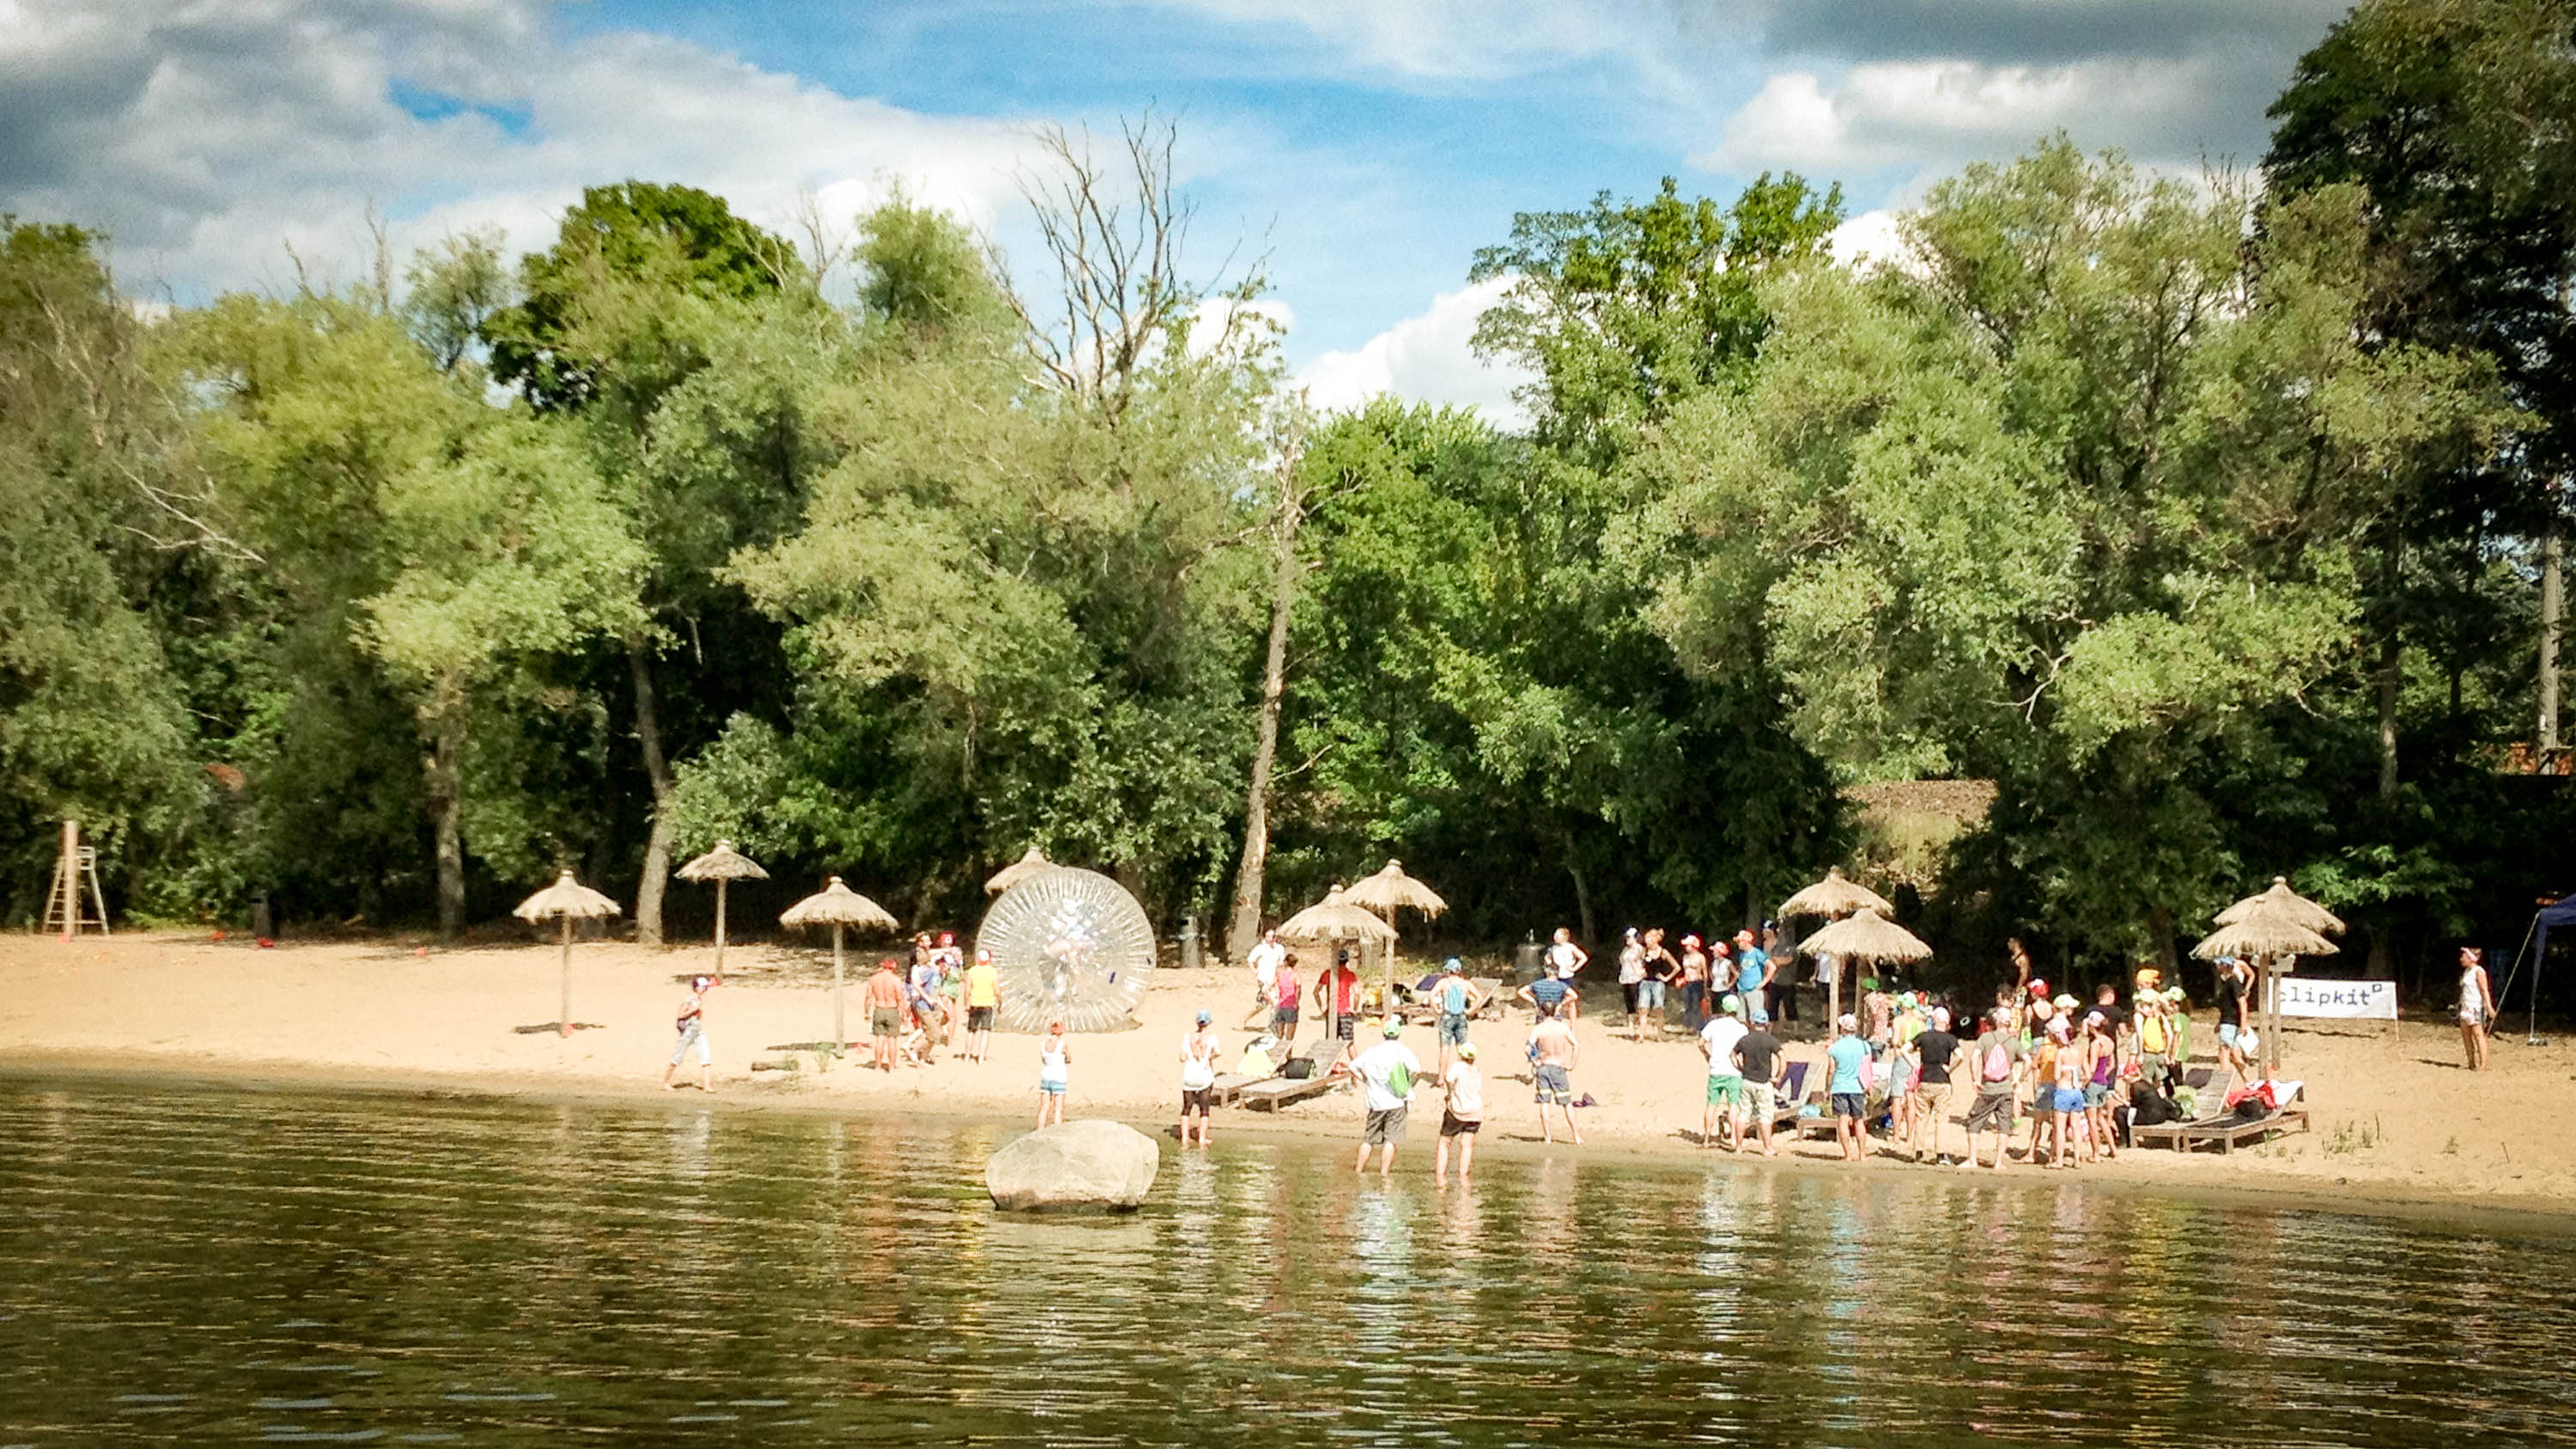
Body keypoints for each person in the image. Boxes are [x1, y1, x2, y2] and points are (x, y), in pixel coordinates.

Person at [1346, 1020, 1423, 1177]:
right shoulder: (1402, 1051)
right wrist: (1408, 1085)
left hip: (1375, 1102)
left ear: (1384, 1034)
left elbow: (1352, 1066)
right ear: (1398, 1034)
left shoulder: (1373, 1051)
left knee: (1368, 1139)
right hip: (1396, 1102)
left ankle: (1359, 1170)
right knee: (1390, 1140)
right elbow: (1417, 1070)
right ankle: (1384, 1173)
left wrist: (1364, 1079)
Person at [1963, 1007, 2025, 1172]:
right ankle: (1998, 1163)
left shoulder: (1985, 1038)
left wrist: (1975, 1079)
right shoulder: (2014, 1042)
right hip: (2006, 1088)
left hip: (1988, 1088)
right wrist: (2019, 1080)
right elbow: (2028, 1061)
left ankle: (1972, 1160)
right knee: (2004, 1125)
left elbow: (1974, 1057)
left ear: (1996, 1021)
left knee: (1974, 1122)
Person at [1909, 1006, 1960, 1163]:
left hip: (1925, 1079)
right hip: (1942, 1081)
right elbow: (1961, 1056)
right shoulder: (1950, 1039)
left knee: (1922, 1116)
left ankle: (1918, 1152)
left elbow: (1905, 1049)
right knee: (1941, 1118)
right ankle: (1941, 1154)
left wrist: (1914, 1065)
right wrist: (1949, 1069)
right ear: (1947, 1022)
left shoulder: (1924, 1036)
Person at [1699, 994, 1750, 1150]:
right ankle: (1734, 1139)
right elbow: (1745, 1051)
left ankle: (1707, 1139)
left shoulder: (1714, 1025)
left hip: (1716, 1069)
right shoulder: (1742, 1028)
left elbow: (1700, 1043)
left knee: (1711, 1104)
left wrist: (1708, 1055)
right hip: (1734, 1071)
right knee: (1733, 1105)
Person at [1733, 1012, 1787, 1157]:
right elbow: (1782, 1057)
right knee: (1765, 1116)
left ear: (1751, 1023)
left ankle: (1738, 1146)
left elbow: (1732, 1054)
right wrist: (1778, 1076)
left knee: (1743, 1114)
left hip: (1747, 1080)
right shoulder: (1770, 1040)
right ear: (1767, 1024)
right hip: (1763, 1082)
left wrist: (1738, 1066)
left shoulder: (1745, 1040)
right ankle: (1767, 1147)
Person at [1529, 1003, 1583, 1145]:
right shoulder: (1563, 1027)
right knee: (1567, 1103)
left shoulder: (1538, 1029)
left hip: (1544, 1066)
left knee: (1544, 1102)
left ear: (1542, 1012)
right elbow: (1576, 1046)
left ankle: (1548, 1137)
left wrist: (1535, 1061)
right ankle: (1576, 1136)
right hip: (1558, 1066)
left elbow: (1528, 1048)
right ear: (1555, 1012)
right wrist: (1572, 1064)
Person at [1434, 1042, 1484, 1184]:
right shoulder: (1476, 1070)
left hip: (1458, 1110)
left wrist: (1450, 1094)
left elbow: (1448, 1079)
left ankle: (1440, 1176)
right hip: (1475, 1111)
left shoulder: (1458, 1066)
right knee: (1467, 1144)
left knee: (1444, 1142)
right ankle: (1463, 1177)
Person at [1825, 1015, 1871, 1161]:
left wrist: (1827, 1088)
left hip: (1840, 1086)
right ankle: (1862, 1154)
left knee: (1843, 1120)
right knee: (1859, 1120)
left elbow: (1831, 1070)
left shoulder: (1835, 1047)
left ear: (1842, 1028)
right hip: (1857, 1086)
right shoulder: (1864, 1046)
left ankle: (1848, 1155)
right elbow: (1867, 1068)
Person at [662, 974, 715, 1092]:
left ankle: (707, 1086)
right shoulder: (689, 999)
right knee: (677, 1056)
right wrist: (694, 1010)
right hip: (688, 1031)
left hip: (698, 1030)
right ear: (697, 988)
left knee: (706, 1056)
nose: (705, 990)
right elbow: (681, 1014)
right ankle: (666, 1082)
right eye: (703, 987)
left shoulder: (699, 1000)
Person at [1178, 1010, 1221, 1148]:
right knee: (1204, 1109)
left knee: (1186, 1108)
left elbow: (1182, 1058)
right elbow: (1218, 1052)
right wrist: (1209, 1058)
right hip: (1204, 1076)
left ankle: (1185, 1138)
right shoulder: (1212, 1038)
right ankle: (1202, 1139)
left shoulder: (1187, 1037)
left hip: (1189, 1076)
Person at [1433, 958, 1484, 1071]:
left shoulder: (1443, 983)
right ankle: (1462, 1074)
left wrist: (1437, 1010)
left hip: (1447, 1016)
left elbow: (1432, 995)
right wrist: (1471, 1010)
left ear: (1448, 970)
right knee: (1462, 1048)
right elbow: (1480, 998)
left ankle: (1441, 1078)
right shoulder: (1466, 984)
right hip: (1461, 1016)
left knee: (1445, 1049)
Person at [863, 958, 907, 1070]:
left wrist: (866, 1011)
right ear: (893, 967)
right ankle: (891, 1067)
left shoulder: (874, 979)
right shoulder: (896, 980)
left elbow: (868, 997)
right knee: (892, 1040)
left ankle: (878, 1066)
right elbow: (900, 998)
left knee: (880, 1039)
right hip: (892, 1009)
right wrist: (904, 1013)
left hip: (879, 1009)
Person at [2460, 946, 2497, 1070]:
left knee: (2478, 1034)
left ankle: (2483, 1063)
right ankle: (2471, 1061)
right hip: (2465, 1007)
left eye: (2464, 957)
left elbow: (2484, 990)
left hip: (2476, 1007)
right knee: (2466, 1035)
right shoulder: (2466, 972)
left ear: (2471, 959)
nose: (2461, 959)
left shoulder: (2479, 971)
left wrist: (2489, 1007)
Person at [1315, 951, 1362, 1046]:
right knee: (1349, 1045)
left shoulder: (1328, 974)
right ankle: (1355, 1061)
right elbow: (1357, 993)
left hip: (1332, 1012)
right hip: (1345, 1012)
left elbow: (1316, 992)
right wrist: (1355, 1009)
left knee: (1330, 1043)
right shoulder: (1350, 975)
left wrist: (1322, 1008)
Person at [2215, 960, 2251, 1082]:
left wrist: (2244, 1022)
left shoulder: (2233, 981)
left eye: (2219, 964)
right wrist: (2219, 1022)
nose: (2217, 966)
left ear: (2224, 965)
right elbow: (2228, 1005)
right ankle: (2249, 1081)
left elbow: (2242, 1002)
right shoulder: (2228, 982)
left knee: (2224, 1052)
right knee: (2235, 1056)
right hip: (2228, 1021)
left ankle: (2223, 1083)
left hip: (2230, 1023)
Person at [963, 948, 1001, 1064]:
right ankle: (981, 1057)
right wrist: (1000, 1003)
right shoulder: (993, 972)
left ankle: (967, 1055)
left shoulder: (971, 971)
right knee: (985, 1031)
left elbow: (967, 990)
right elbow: (997, 991)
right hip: (988, 1003)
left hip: (975, 1003)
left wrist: (966, 1004)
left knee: (971, 1031)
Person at [1244, 929, 1287, 1031]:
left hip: (1274, 979)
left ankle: (1271, 1025)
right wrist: (1254, 970)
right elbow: (1250, 960)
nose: (1271, 939)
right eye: (1268, 936)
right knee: (1269, 1002)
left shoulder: (1280, 948)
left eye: (1273, 936)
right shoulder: (1260, 948)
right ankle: (1246, 1019)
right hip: (1263, 978)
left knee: (1270, 1003)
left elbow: (1281, 961)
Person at [1638, 928, 1678, 1037]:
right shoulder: (1644, 951)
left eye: (1649, 938)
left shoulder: (1663, 952)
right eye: (1646, 939)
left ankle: (1659, 1034)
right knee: (1643, 1008)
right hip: (1645, 982)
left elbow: (1676, 967)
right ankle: (1641, 1035)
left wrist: (1666, 978)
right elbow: (1635, 961)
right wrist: (1639, 971)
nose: (1647, 941)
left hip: (1658, 984)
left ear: (1656, 939)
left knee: (1659, 1009)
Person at [1545, 928, 1589, 1020]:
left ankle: (1573, 1022)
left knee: (1571, 1000)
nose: (1555, 937)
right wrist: (1548, 961)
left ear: (1565, 937)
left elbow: (1583, 958)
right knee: (1555, 999)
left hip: (1568, 977)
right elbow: (1548, 959)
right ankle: (1557, 1019)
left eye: (1558, 935)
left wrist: (1574, 968)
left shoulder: (1570, 947)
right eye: (1555, 934)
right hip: (1557, 977)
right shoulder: (1553, 948)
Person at [1036, 1019, 1071, 1126]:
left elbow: (1044, 1060)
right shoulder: (1062, 1044)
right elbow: (1068, 1060)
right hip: (1059, 1078)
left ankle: (1040, 1129)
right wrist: (1067, 1053)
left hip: (1046, 1078)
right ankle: (1057, 1130)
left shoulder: (1043, 1044)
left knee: (1044, 1108)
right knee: (1058, 1110)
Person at [1733, 929, 1771, 1023]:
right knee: (1741, 1018)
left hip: (1753, 990)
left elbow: (1772, 967)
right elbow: (1742, 969)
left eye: (1739, 941)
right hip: (1742, 989)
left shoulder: (1757, 953)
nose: (1738, 944)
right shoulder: (1743, 955)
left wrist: (1763, 983)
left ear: (1746, 942)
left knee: (1756, 1017)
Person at [1616, 926, 1647, 1036]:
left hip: (1636, 978)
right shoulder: (1625, 950)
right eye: (1626, 937)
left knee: (1637, 1001)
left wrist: (1641, 972)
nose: (1627, 939)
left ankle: (1640, 1026)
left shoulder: (1640, 949)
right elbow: (1621, 961)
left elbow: (1644, 962)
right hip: (1625, 978)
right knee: (1628, 1003)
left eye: (1629, 937)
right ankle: (1631, 1026)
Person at [1678, 934, 1710, 1032]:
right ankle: (1687, 1026)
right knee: (1687, 1004)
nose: (1686, 947)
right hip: (1687, 982)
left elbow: (1705, 971)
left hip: (1697, 982)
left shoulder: (1701, 957)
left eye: (1688, 945)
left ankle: (1696, 1026)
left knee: (1696, 1004)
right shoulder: (1685, 957)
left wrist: (1705, 985)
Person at [1271, 952, 1302, 1046]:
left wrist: (1274, 999)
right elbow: (1298, 990)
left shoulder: (1280, 974)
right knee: (1289, 1037)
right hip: (1291, 1007)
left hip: (1281, 1006)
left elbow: (1269, 987)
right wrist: (1297, 1003)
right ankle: (1289, 1056)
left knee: (1279, 1035)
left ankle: (1278, 1055)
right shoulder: (1296, 976)